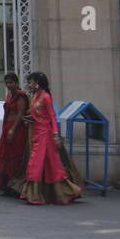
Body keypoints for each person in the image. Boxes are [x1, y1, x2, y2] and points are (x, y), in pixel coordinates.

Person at [11, 71, 83, 205]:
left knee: (37, 164)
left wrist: (56, 135)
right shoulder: (36, 96)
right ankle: (42, 194)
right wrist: (29, 119)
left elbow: (51, 117)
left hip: (45, 134)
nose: (29, 85)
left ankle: (37, 195)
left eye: (31, 82)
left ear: (37, 83)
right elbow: (37, 114)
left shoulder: (45, 97)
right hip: (36, 133)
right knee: (46, 165)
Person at [0, 72, 29, 194]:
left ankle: (16, 186)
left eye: (11, 82)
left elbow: (20, 114)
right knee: (5, 154)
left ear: (16, 83)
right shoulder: (9, 95)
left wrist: (12, 130)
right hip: (7, 127)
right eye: (7, 83)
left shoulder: (20, 95)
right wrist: (6, 129)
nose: (9, 85)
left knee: (15, 156)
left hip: (17, 129)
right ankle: (7, 185)